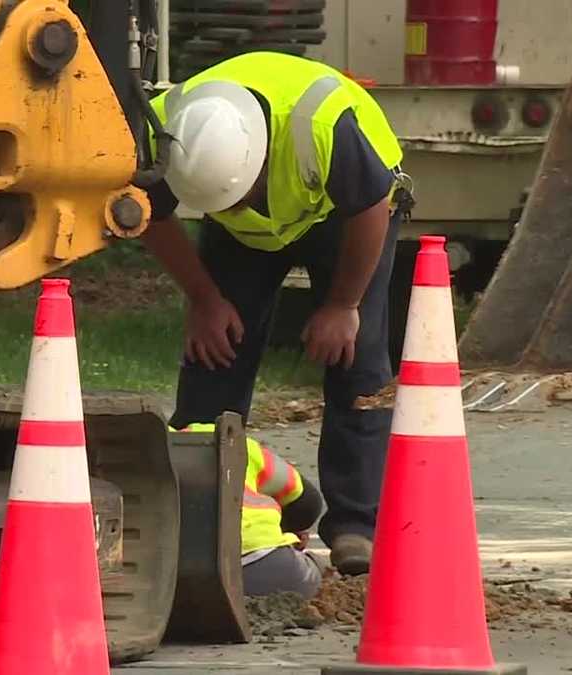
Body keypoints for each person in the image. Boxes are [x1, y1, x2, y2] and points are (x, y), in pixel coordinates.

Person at [141, 51, 410, 575]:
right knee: (214, 351)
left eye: (242, 195)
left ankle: (356, 525)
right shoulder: (168, 130)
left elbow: (371, 208)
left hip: (345, 218)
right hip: (246, 242)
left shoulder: (325, 126)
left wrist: (342, 305)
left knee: (358, 363)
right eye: (225, 202)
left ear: (260, 157)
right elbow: (147, 213)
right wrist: (203, 298)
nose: (237, 206)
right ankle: (201, 505)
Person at [176, 423, 325, 599]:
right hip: (268, 565)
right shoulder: (224, 438)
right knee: (316, 567)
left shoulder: (140, 447)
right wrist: (289, 528)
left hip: (171, 582)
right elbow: (308, 502)